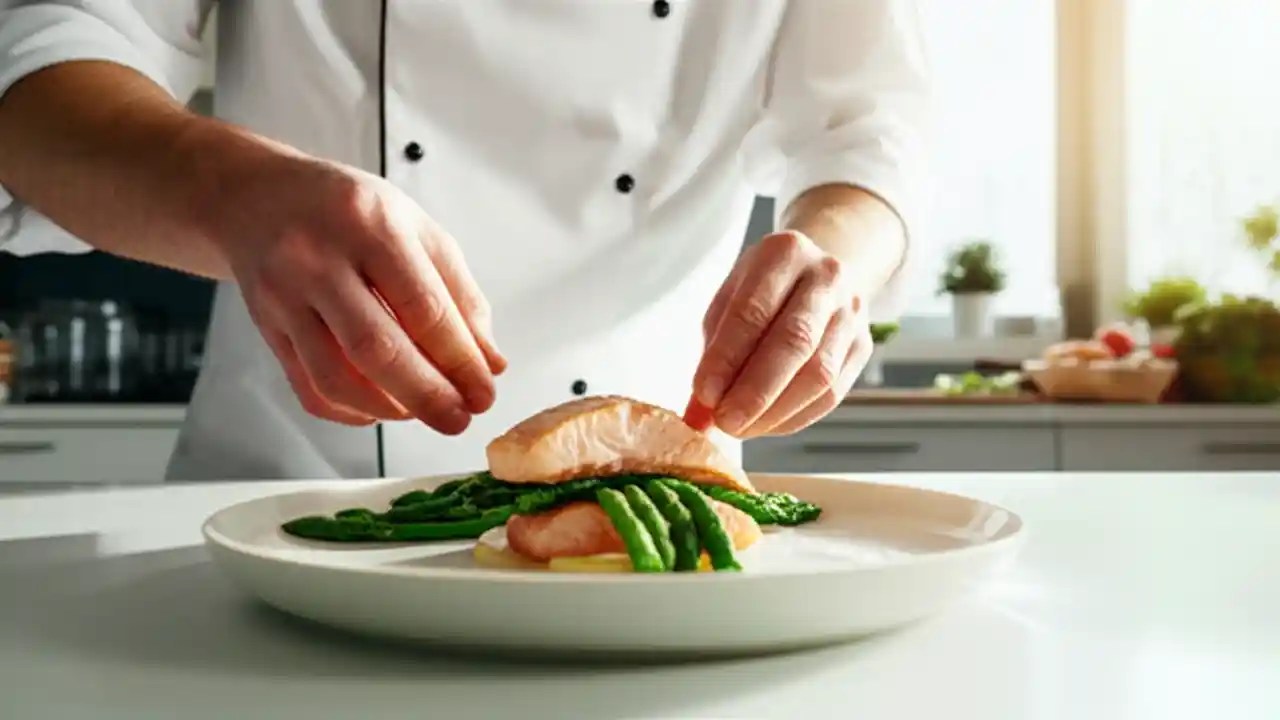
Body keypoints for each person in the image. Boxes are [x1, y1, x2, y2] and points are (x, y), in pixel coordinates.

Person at [0, 1, 930, 481]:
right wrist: (237, 194)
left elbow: (870, 134)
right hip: (291, 495)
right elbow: (38, 70)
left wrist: (835, 266)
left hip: (650, 511)